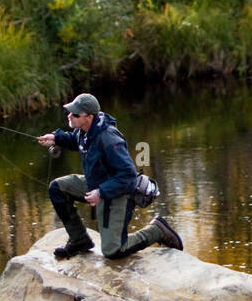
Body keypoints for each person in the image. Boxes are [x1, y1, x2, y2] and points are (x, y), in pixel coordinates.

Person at [38, 93, 183, 260]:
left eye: (75, 114)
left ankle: (157, 230)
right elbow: (75, 141)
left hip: (118, 193)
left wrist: (101, 192)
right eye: (70, 112)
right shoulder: (85, 130)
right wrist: (56, 138)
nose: (70, 116)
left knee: (113, 251)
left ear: (89, 117)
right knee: (57, 188)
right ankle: (79, 240)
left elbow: (128, 176)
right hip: (96, 184)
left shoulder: (109, 138)